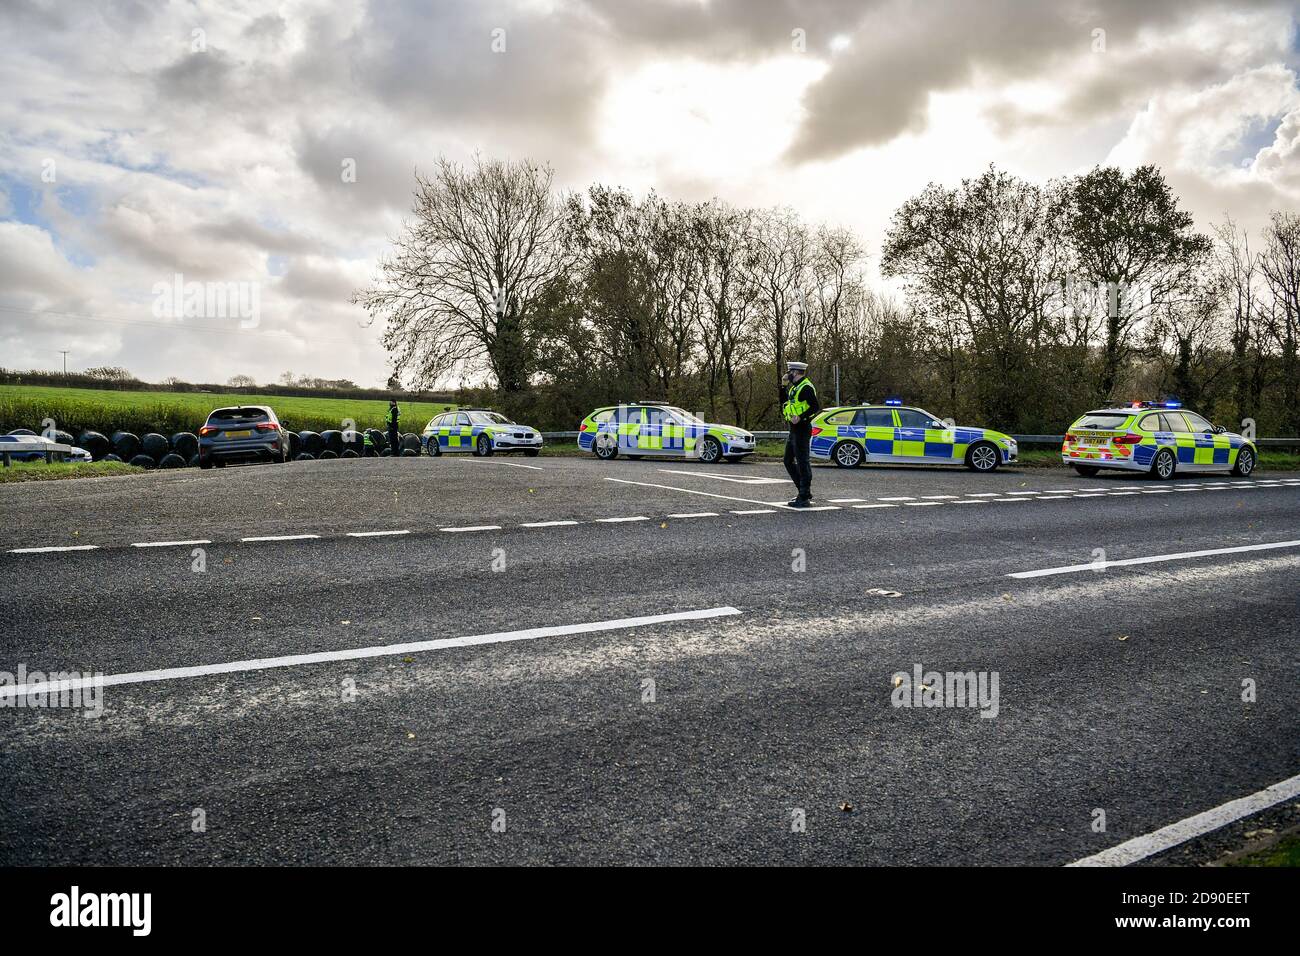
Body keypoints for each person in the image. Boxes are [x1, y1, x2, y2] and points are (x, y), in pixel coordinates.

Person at [781, 360, 820, 507]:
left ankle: (804, 497)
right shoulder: (794, 388)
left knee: (803, 462)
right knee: (788, 460)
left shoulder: (806, 388)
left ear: (796, 372)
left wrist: (801, 417)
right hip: (794, 430)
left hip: (802, 429)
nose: (788, 374)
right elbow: (784, 403)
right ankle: (803, 492)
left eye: (790, 372)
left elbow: (815, 407)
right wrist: (783, 386)